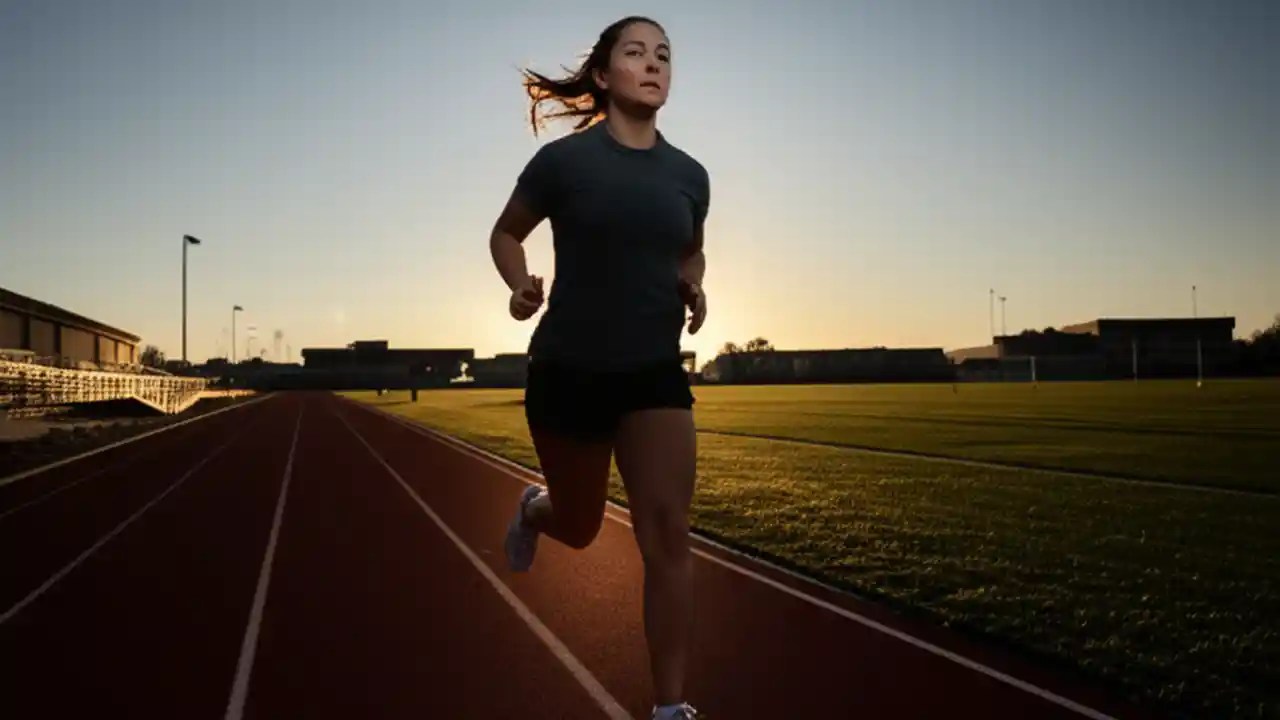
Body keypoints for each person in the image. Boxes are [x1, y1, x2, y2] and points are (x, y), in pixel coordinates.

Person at [488, 15, 708, 720]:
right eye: (636, 53)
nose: (653, 64)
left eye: (664, 55)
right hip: (569, 371)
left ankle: (669, 708)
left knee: (668, 531)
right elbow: (506, 231)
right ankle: (536, 508)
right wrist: (518, 286)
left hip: (653, 373)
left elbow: (690, 249)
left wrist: (693, 282)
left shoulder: (691, 176)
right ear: (605, 75)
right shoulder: (563, 164)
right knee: (580, 526)